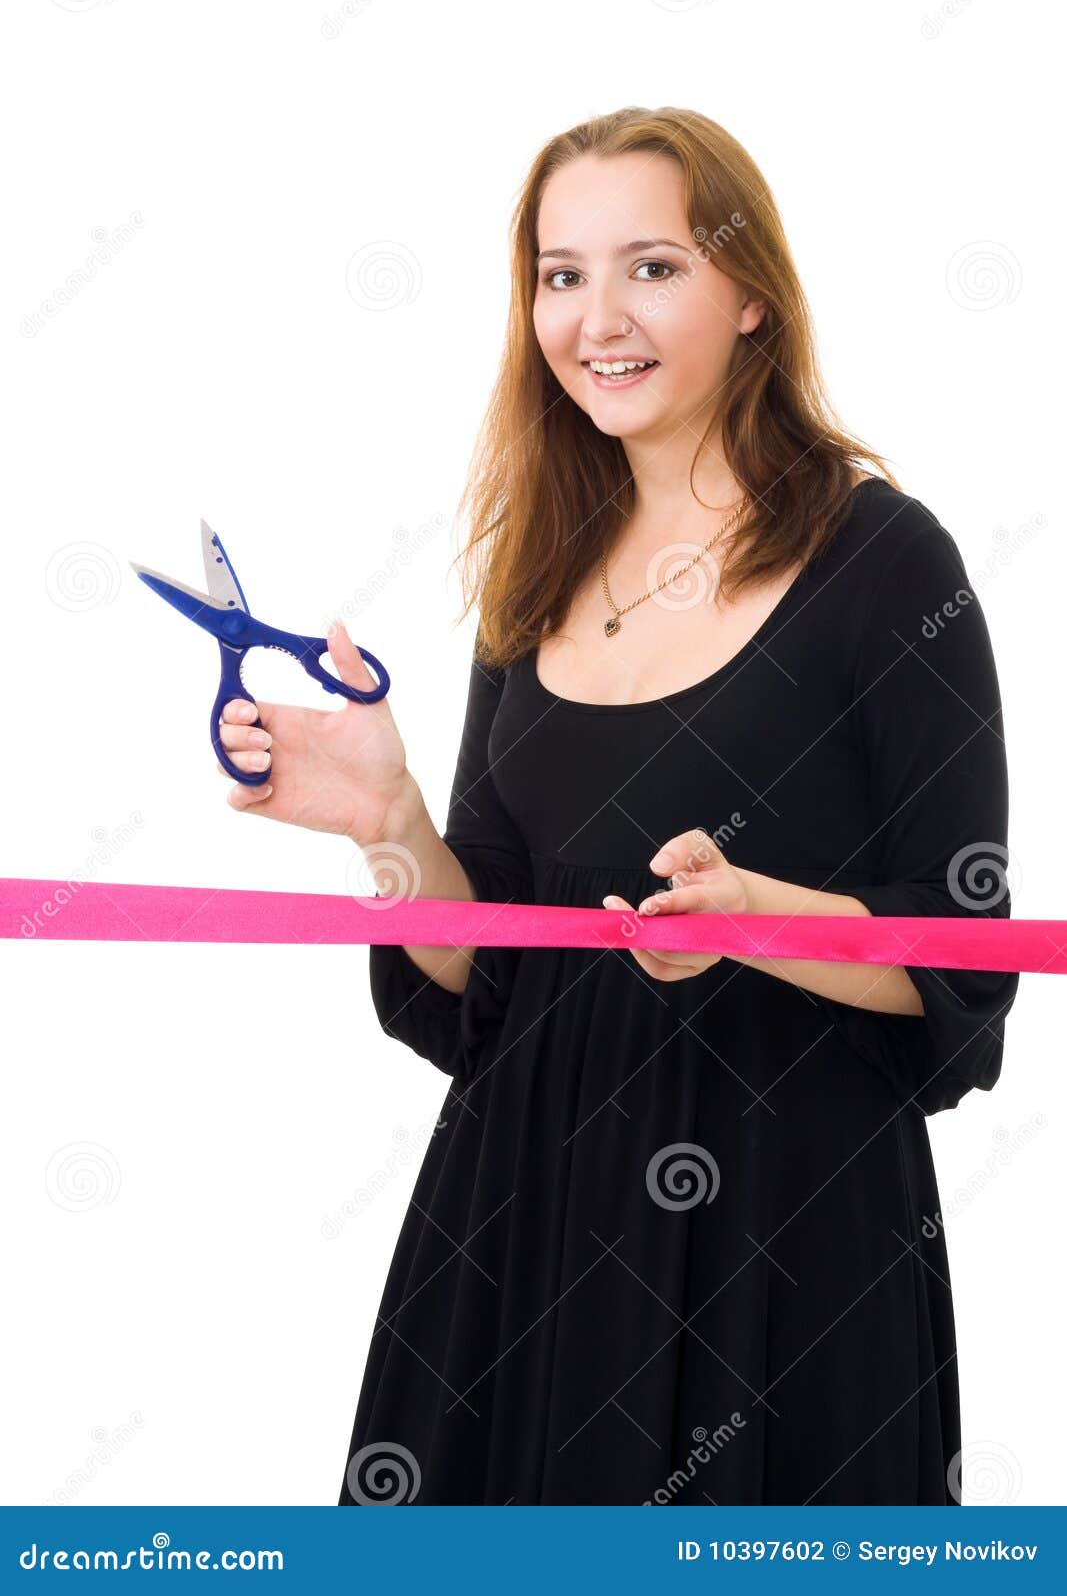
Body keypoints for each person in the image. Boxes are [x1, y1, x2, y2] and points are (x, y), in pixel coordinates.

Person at [216, 107, 1018, 1505]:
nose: (597, 316)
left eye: (651, 266)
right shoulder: (535, 568)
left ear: (750, 289)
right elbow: (489, 976)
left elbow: (970, 952)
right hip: (522, 1219)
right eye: (558, 272)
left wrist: (759, 918)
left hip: (787, 1232)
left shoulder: (888, 560)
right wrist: (394, 827)